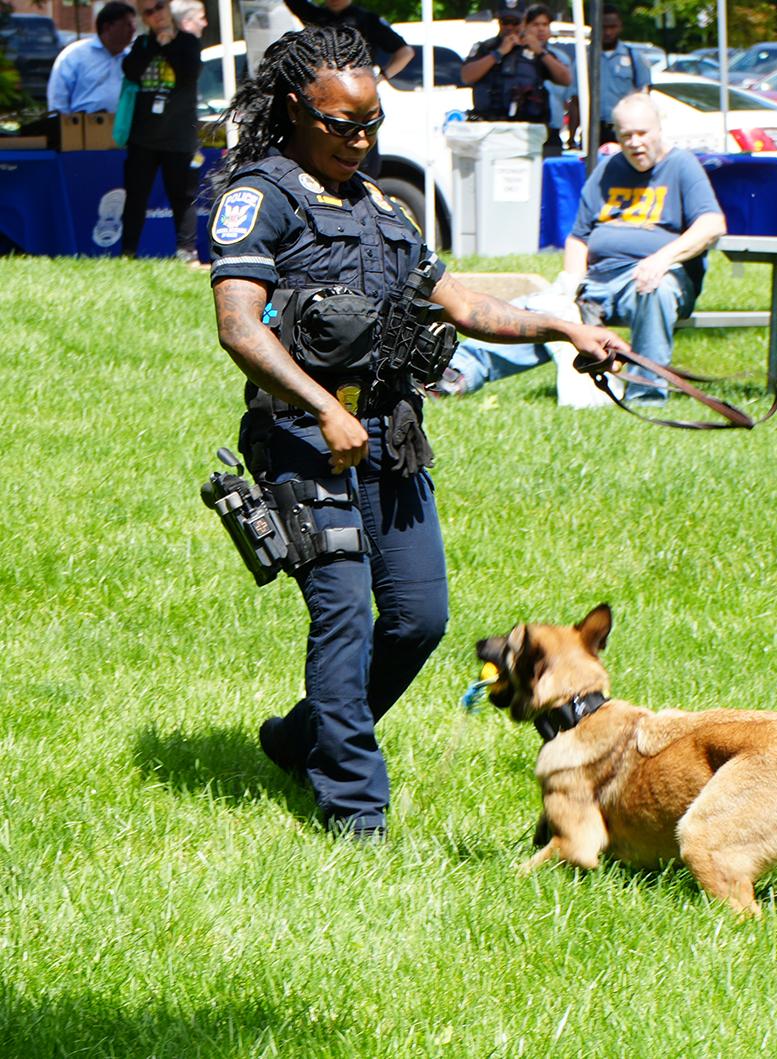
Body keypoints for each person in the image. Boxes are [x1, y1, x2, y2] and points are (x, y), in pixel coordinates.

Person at [207, 26, 627, 840]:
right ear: (298, 109)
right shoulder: (259, 197)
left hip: (391, 435)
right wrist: (323, 406)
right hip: (303, 436)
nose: (360, 141)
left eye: (372, 126)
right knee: (342, 616)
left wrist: (562, 330)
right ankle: (356, 813)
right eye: (342, 125)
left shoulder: (380, 208)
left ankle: (303, 737)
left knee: (419, 619)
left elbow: (462, 303)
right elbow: (239, 328)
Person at [439, 92, 725, 404]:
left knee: (655, 291)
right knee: (546, 313)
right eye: (626, 135)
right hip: (597, 284)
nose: (635, 143)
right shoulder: (608, 169)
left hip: (653, 281)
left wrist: (661, 260)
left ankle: (646, 395)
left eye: (642, 133)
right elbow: (579, 237)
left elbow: (712, 224)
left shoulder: (681, 166)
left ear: (659, 129)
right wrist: (570, 286)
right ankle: (457, 373)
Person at [120, 0, 202, 263]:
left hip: (179, 135)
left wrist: (168, 46)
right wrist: (157, 44)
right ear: (144, 19)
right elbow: (130, 70)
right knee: (136, 196)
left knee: (183, 197)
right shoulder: (143, 44)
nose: (157, 15)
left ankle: (186, 251)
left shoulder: (188, 42)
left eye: (159, 7)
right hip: (143, 137)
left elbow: (189, 74)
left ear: (168, 8)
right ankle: (128, 252)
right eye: (149, 12)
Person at [461, 1, 571, 134]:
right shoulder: (486, 48)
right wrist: (498, 53)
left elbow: (566, 79)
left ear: (524, 22)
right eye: (505, 22)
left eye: (515, 22)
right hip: (490, 128)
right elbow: (466, 77)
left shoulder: (535, 49)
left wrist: (541, 52)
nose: (510, 27)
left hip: (527, 129)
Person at [567, 4, 652, 146]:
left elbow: (645, 98)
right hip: (593, 131)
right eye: (603, 27)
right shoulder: (584, 60)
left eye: (612, 27)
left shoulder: (634, 58)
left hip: (626, 130)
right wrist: (571, 137)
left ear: (620, 27)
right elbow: (575, 102)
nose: (608, 32)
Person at [283, 0, 413, 81]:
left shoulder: (367, 20)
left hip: (358, 85)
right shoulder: (315, 16)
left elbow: (405, 52)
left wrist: (381, 77)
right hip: (323, 86)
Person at [46, 2, 136, 114]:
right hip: (83, 127)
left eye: (133, 24)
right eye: (127, 24)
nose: (133, 30)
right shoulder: (76, 55)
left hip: (122, 128)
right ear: (107, 27)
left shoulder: (133, 60)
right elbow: (58, 99)